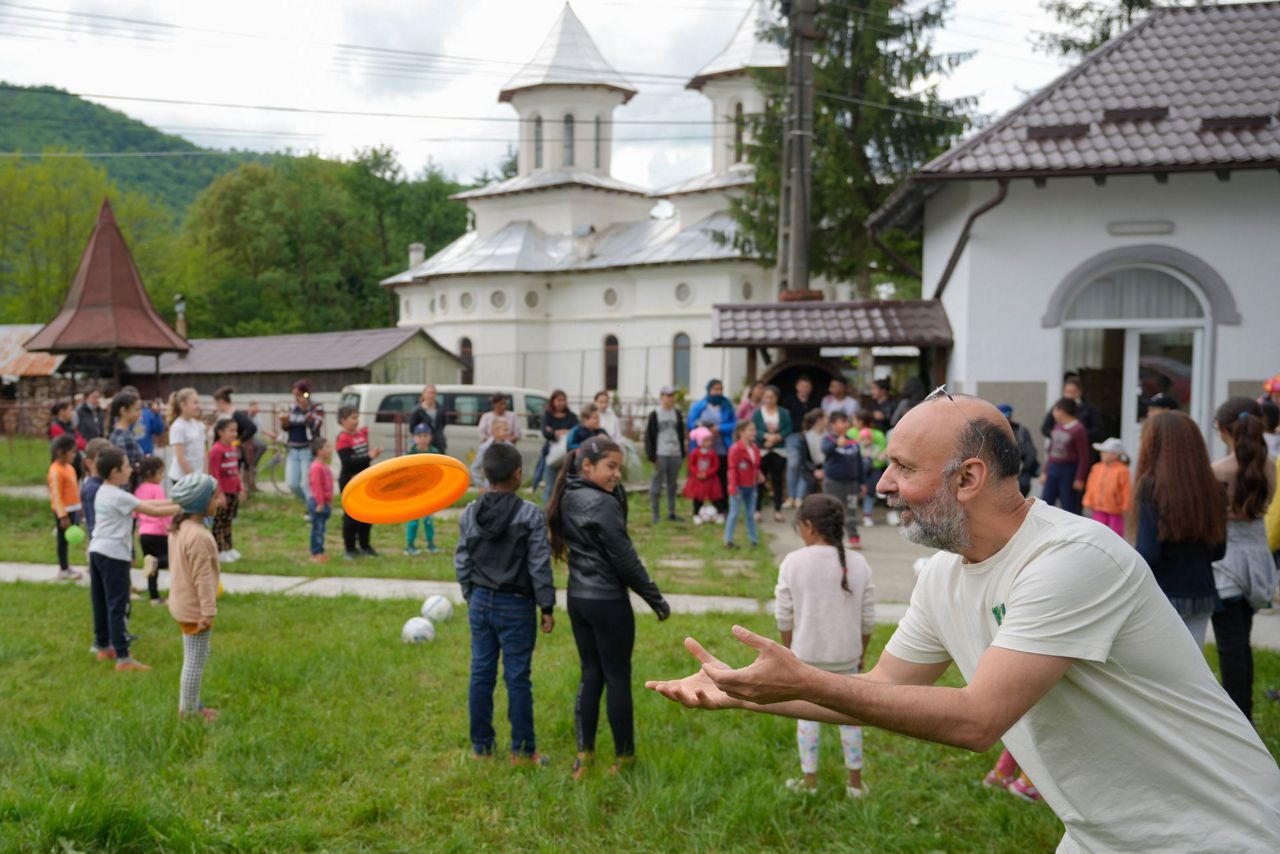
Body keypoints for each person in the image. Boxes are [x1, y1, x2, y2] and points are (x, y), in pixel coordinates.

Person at [647, 391, 1280, 854]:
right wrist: (746, 694)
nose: (885, 483)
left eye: (903, 468)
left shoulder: (1070, 560)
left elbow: (979, 720)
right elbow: (884, 690)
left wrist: (804, 680)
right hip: (1103, 835)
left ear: (969, 477)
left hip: (1216, 831)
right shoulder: (947, 573)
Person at [546, 437, 670, 780]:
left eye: (619, 467)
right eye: (610, 467)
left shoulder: (568, 493)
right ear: (587, 466)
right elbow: (625, 559)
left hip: (578, 599)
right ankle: (625, 758)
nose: (617, 474)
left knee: (590, 673)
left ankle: (584, 758)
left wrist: (617, 493)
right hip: (607, 602)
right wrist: (655, 599)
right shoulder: (602, 504)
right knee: (617, 678)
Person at [455, 442, 556, 763]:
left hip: (481, 602)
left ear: (484, 474)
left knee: (480, 674)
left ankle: (482, 749)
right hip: (517, 606)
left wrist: (472, 596)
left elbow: (462, 561)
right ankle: (523, 752)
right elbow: (539, 564)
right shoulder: (530, 515)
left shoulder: (469, 512)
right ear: (518, 474)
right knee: (517, 678)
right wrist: (547, 606)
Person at [775, 494, 875, 797]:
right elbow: (868, 619)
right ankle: (855, 784)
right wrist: (860, 654)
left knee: (807, 720)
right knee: (851, 720)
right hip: (846, 658)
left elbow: (783, 616)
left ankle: (809, 783)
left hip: (805, 659)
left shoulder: (793, 562)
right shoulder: (858, 563)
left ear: (808, 525)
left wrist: (791, 651)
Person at [1132, 412, 1226, 645]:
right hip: (1202, 592)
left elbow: (1148, 552)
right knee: (1194, 668)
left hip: (1162, 592)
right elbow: (1219, 551)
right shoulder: (1214, 487)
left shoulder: (1150, 486)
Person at [1210, 398, 1277, 722]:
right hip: (1258, 558)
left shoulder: (1218, 471)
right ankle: (1244, 714)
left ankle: (1238, 720)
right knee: (1242, 642)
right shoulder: (1271, 467)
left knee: (1229, 647)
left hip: (1226, 562)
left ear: (1223, 430)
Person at [89, 447, 179, 670]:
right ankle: (123, 657)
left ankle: (103, 646)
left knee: (100, 602)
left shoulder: (105, 491)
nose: (132, 469)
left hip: (97, 551)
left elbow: (152, 505)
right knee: (118, 604)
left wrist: (175, 501)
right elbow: (152, 511)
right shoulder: (118, 495)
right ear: (114, 471)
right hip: (113, 555)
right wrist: (187, 506)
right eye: (127, 465)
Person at [167, 472, 224, 723]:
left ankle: (192, 704)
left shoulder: (180, 527)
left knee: (195, 655)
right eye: (215, 497)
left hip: (181, 603)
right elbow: (202, 578)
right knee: (194, 662)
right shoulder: (199, 536)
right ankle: (188, 712)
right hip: (194, 609)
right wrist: (208, 612)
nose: (220, 501)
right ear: (201, 503)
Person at [336, 405, 382, 560]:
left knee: (367, 515)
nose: (356, 421)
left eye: (357, 417)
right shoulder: (343, 438)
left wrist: (371, 455)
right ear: (343, 421)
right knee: (351, 517)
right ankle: (350, 549)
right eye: (353, 418)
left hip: (365, 480)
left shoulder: (361, 434)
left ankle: (365, 546)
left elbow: (363, 458)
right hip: (350, 482)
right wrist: (369, 456)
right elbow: (348, 462)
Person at [687, 379, 735, 514]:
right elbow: (690, 423)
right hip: (702, 451)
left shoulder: (727, 406)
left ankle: (722, 508)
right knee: (700, 479)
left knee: (721, 479)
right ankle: (698, 508)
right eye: (715, 389)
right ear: (709, 390)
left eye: (720, 389)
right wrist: (701, 427)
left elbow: (733, 424)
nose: (717, 392)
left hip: (721, 449)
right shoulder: (700, 405)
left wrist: (718, 428)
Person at [820, 411, 864, 549]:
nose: (846, 424)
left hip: (851, 483)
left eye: (846, 421)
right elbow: (825, 450)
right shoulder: (828, 439)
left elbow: (859, 463)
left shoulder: (853, 442)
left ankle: (853, 537)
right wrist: (836, 444)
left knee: (850, 510)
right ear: (833, 424)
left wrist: (862, 483)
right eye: (842, 421)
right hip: (833, 482)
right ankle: (831, 539)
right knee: (833, 510)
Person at [1039, 397, 1089, 514]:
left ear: (1062, 411)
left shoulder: (1078, 429)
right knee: (1046, 501)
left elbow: (1084, 456)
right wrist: (1045, 471)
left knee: (1068, 504)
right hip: (1053, 468)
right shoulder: (1058, 426)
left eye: (1055, 410)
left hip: (1068, 470)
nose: (1053, 413)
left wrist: (1079, 478)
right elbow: (1052, 451)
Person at [644, 385, 685, 524]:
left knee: (672, 484)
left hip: (675, 453)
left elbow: (680, 434)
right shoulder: (655, 414)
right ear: (661, 397)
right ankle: (656, 514)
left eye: (672, 396)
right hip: (661, 453)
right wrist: (652, 456)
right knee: (657, 484)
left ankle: (671, 512)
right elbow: (649, 436)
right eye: (668, 396)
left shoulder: (677, 413)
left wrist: (682, 454)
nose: (670, 398)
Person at [281, 379, 324, 511]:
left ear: (307, 393)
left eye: (299, 395)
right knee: (292, 484)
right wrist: (284, 422)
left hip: (307, 449)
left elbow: (316, 427)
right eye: (295, 395)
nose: (297, 398)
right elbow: (287, 428)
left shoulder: (316, 406)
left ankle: (312, 510)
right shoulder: (292, 406)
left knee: (307, 484)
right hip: (292, 449)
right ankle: (311, 504)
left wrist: (306, 411)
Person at [135, 456, 170, 606]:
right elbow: (163, 509)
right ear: (150, 473)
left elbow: (135, 512)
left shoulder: (138, 489)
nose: (162, 476)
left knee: (151, 568)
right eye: (161, 473)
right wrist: (170, 527)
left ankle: (154, 597)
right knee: (171, 561)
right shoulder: (157, 489)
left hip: (144, 533)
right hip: (159, 532)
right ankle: (176, 595)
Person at [753, 385, 791, 522]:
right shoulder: (757, 413)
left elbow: (788, 428)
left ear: (777, 398)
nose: (769, 400)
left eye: (772, 397)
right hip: (762, 450)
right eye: (766, 397)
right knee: (760, 480)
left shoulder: (783, 413)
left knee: (777, 480)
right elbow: (754, 429)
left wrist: (777, 437)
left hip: (779, 450)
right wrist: (765, 437)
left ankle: (778, 510)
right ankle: (757, 509)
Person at [47, 435, 83, 581]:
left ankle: (67, 567)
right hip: (63, 512)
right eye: (72, 452)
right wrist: (62, 516)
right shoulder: (55, 471)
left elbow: (74, 490)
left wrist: (79, 507)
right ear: (61, 452)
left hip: (73, 509)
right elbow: (56, 495)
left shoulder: (69, 468)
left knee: (67, 540)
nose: (74, 455)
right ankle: (63, 569)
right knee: (62, 541)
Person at [208, 418, 244, 563]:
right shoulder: (216, 450)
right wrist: (219, 494)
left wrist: (240, 488)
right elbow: (214, 473)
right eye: (231, 431)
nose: (234, 434)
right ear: (220, 432)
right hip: (222, 493)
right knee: (219, 522)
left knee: (229, 520)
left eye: (236, 431)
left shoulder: (233, 448)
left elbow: (235, 470)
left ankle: (229, 547)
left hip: (233, 491)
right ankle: (218, 549)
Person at [782, 376, 819, 507]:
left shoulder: (815, 401)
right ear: (797, 387)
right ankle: (790, 496)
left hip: (809, 436)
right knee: (793, 464)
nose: (805, 389)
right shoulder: (788, 401)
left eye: (807, 386)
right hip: (792, 435)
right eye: (802, 386)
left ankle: (799, 497)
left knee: (806, 465)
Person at [1082, 437, 1132, 537]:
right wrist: (1087, 500)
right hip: (1098, 508)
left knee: (1116, 533)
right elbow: (1090, 486)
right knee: (1098, 532)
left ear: (1114, 454)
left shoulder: (1122, 470)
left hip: (1115, 509)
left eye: (1105, 452)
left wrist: (1125, 505)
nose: (1101, 454)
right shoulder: (1096, 468)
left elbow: (1126, 490)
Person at [724, 420, 761, 550]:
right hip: (738, 486)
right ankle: (728, 540)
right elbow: (732, 468)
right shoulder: (735, 449)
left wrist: (758, 475)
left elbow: (755, 466)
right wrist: (732, 485)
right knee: (734, 513)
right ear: (741, 432)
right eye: (750, 430)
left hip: (751, 486)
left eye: (754, 430)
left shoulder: (754, 448)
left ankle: (753, 539)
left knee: (750, 513)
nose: (753, 433)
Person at [534, 390, 577, 499]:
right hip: (551, 454)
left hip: (568, 455)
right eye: (559, 400)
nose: (561, 402)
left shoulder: (571, 416)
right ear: (553, 401)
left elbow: (575, 432)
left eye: (563, 400)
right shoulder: (548, 416)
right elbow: (546, 432)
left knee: (567, 485)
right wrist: (561, 432)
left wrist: (556, 431)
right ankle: (547, 513)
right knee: (550, 485)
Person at [404, 424, 439, 555]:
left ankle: (431, 543)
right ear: (414, 438)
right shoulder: (410, 453)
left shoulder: (434, 452)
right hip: (414, 491)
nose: (422, 439)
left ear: (430, 437)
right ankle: (410, 545)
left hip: (429, 490)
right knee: (413, 520)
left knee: (428, 520)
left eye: (425, 435)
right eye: (419, 436)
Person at [1040, 376, 1105, 447]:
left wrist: (1076, 434)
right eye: (1066, 391)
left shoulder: (1089, 408)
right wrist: (1054, 433)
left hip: (1081, 446)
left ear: (1079, 392)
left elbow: (1098, 431)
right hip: (1060, 447)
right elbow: (1045, 428)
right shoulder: (1058, 407)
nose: (1069, 395)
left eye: (1072, 392)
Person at [212, 386, 257, 481]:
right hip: (221, 452)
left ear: (221, 402)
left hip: (232, 453)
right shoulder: (222, 414)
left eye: (216, 403)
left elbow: (251, 427)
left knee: (231, 479)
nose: (215, 406)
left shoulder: (236, 414)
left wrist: (238, 441)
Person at [852, 413, 887, 525]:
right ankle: (850, 516)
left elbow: (881, 458)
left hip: (871, 473)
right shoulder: (857, 447)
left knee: (869, 493)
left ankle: (867, 515)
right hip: (856, 473)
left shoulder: (876, 445)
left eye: (868, 439)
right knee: (852, 494)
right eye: (863, 439)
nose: (866, 441)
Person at [682, 427, 723, 523]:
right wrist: (697, 473)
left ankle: (720, 513)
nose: (709, 443)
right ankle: (696, 514)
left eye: (710, 440)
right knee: (698, 498)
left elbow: (715, 466)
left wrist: (707, 473)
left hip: (711, 480)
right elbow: (691, 465)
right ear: (700, 442)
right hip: (698, 480)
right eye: (706, 440)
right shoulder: (695, 453)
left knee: (715, 497)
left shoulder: (712, 454)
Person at [998, 404, 1039, 497]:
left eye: (1007, 417)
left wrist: (1023, 466)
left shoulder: (1021, 431)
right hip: (1000, 469)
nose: (1005, 420)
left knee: (1023, 486)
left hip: (1021, 468)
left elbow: (1031, 452)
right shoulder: (993, 431)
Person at [166, 388, 206, 485]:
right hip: (183, 478)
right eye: (195, 403)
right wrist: (193, 478)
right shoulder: (178, 426)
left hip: (198, 477)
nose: (198, 406)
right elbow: (181, 457)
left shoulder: (199, 425)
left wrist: (204, 475)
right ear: (183, 405)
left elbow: (204, 452)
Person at [107, 390, 144, 487]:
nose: (140, 413)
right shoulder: (124, 438)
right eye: (137, 409)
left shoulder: (117, 433)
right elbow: (124, 474)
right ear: (123, 411)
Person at [79, 438, 111, 547]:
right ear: (89, 462)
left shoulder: (106, 484)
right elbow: (94, 522)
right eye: (102, 459)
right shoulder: (93, 488)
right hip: (100, 545)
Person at [307, 437, 333, 563]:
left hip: (325, 503)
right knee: (317, 529)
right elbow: (316, 486)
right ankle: (316, 553)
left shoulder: (324, 466)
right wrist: (321, 502)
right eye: (327, 448)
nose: (330, 450)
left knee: (321, 529)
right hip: (318, 503)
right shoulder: (316, 467)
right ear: (319, 451)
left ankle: (320, 552)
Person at [470, 417, 513, 492]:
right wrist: (481, 486)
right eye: (505, 430)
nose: (507, 432)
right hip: (489, 489)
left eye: (508, 430)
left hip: (506, 490)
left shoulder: (511, 447)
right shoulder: (484, 448)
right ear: (495, 430)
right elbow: (475, 468)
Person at [409, 384, 447, 454]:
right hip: (423, 446)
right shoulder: (417, 410)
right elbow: (412, 428)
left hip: (438, 444)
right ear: (424, 394)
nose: (431, 396)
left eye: (433, 393)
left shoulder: (440, 409)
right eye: (429, 393)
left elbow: (443, 424)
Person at [797, 409, 826, 499]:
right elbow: (804, 460)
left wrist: (825, 469)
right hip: (810, 468)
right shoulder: (805, 436)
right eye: (825, 417)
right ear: (819, 420)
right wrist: (814, 470)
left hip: (826, 467)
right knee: (812, 483)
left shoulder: (828, 435)